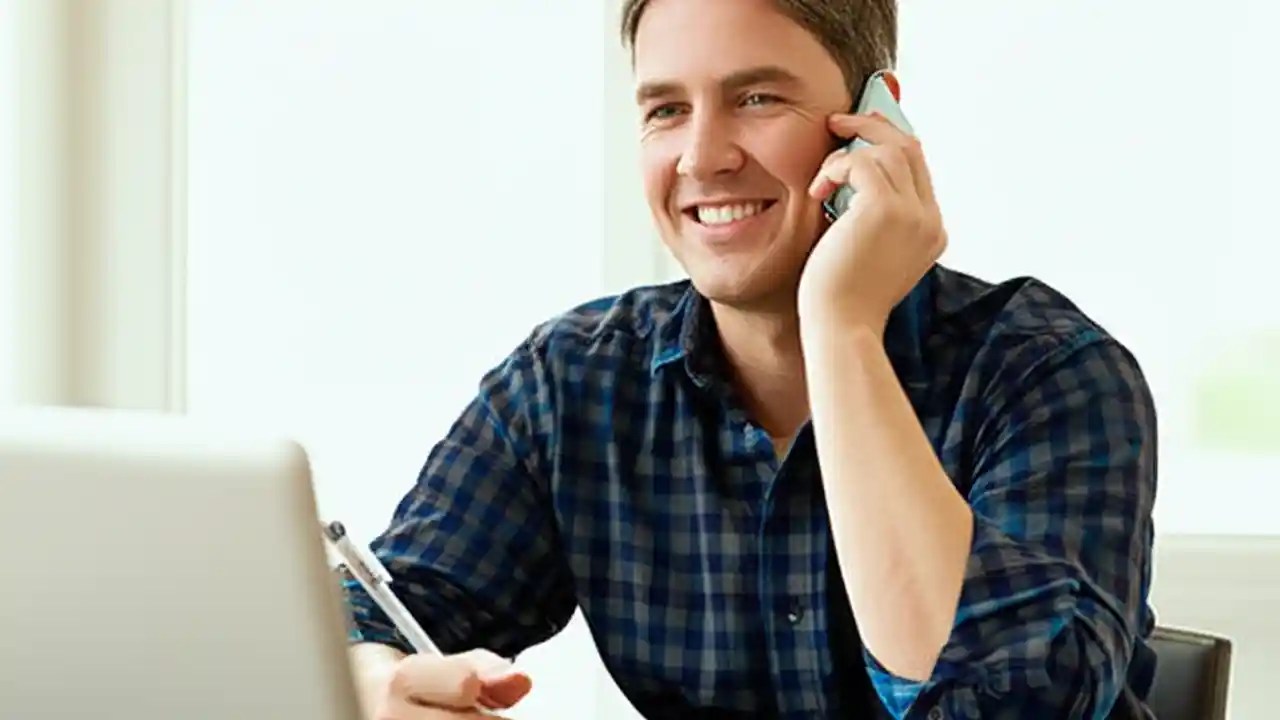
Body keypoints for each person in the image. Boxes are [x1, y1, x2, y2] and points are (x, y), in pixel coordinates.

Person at [341, 0, 1159, 717]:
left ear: (876, 123)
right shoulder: (574, 380)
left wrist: (841, 328)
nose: (701, 156)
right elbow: (373, 613)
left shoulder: (1048, 373)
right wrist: (374, 683)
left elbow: (1017, 702)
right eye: (665, 110)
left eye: (756, 97)